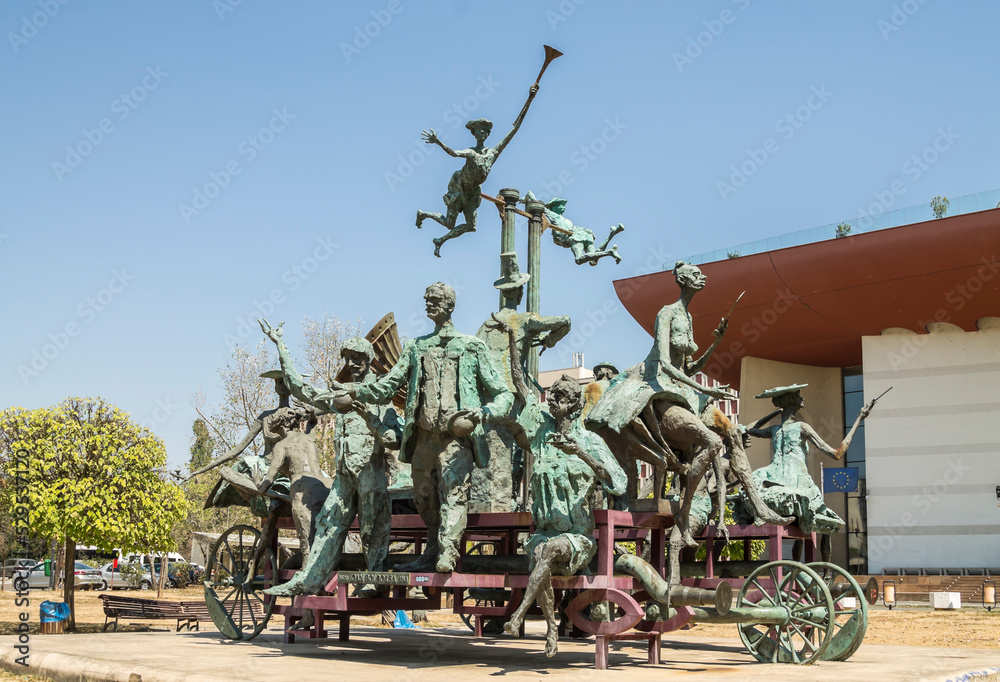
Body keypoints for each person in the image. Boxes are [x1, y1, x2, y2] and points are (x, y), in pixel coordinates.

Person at [330, 283, 513, 572]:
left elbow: (504, 394)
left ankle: (448, 553)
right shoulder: (416, 347)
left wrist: (483, 412)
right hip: (424, 440)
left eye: (435, 300)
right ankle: (431, 552)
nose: (429, 304)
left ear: (450, 305)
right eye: (426, 300)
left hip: (456, 439)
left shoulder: (471, 346)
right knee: (425, 499)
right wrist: (356, 392)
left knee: (454, 494)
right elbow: (387, 387)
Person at [258, 325, 402, 598]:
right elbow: (304, 391)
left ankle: (374, 580)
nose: (352, 364)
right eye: (347, 358)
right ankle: (308, 581)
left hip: (371, 474)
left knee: (373, 528)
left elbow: (394, 439)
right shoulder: (342, 393)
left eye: (357, 358)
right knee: (327, 524)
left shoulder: (381, 395)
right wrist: (281, 346)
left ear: (369, 359)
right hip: (345, 476)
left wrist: (376, 425)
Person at [502, 374, 626, 658]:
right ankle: (551, 629)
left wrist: (582, 455)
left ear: (574, 404)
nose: (553, 399)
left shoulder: (590, 441)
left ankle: (522, 615)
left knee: (548, 552)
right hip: (543, 533)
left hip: (577, 539)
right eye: (552, 394)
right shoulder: (543, 436)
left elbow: (618, 482)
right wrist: (513, 342)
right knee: (542, 551)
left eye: (561, 396)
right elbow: (522, 390)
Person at [475, 251, 571, 509]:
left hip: (487, 398)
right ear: (518, 294)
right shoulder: (525, 320)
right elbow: (565, 321)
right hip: (515, 397)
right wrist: (552, 339)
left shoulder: (486, 325)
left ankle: (494, 501)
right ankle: (540, 499)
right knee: (543, 442)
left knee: (495, 451)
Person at [736, 384, 874, 562]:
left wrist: (775, 413)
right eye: (798, 396)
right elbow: (837, 453)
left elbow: (749, 429)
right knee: (816, 514)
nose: (802, 399)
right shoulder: (801, 427)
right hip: (795, 481)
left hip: (773, 478)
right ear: (790, 402)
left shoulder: (775, 430)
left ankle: (799, 564)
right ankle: (820, 570)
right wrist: (860, 418)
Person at [416, 85, 539, 257]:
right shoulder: (470, 152)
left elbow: (514, 130)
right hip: (459, 186)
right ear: (474, 133)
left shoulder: (492, 153)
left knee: (471, 226)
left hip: (473, 192)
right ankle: (423, 215)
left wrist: (530, 99)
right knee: (449, 223)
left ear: (488, 134)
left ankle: (440, 240)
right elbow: (453, 153)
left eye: (485, 130)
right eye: (479, 130)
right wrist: (438, 142)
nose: (482, 133)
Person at [523, 191, 623, 266]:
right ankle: (611, 235)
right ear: (555, 207)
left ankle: (610, 252)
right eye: (561, 205)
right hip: (585, 234)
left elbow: (534, 200)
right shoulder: (566, 220)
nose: (563, 207)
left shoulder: (555, 216)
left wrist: (527, 198)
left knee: (579, 259)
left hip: (575, 237)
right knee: (593, 261)